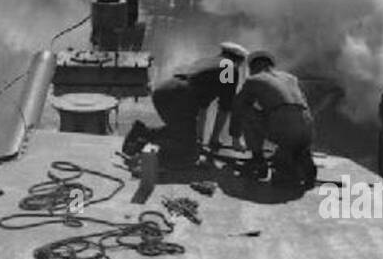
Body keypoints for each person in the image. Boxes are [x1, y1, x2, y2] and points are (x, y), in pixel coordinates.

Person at [122, 42, 248, 165]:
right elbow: (224, 109)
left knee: (181, 133)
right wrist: (214, 140)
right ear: (240, 60)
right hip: (181, 96)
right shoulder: (229, 67)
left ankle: (142, 133)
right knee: (188, 153)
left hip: (164, 91)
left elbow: (203, 109)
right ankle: (146, 138)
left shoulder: (208, 63)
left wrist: (199, 139)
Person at [231, 50, 315, 188]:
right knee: (287, 117)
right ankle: (301, 155)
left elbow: (239, 107)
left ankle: (258, 160)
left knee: (247, 111)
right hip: (308, 130)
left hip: (283, 129)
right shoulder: (290, 78)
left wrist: (235, 137)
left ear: (252, 67)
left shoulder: (254, 79)